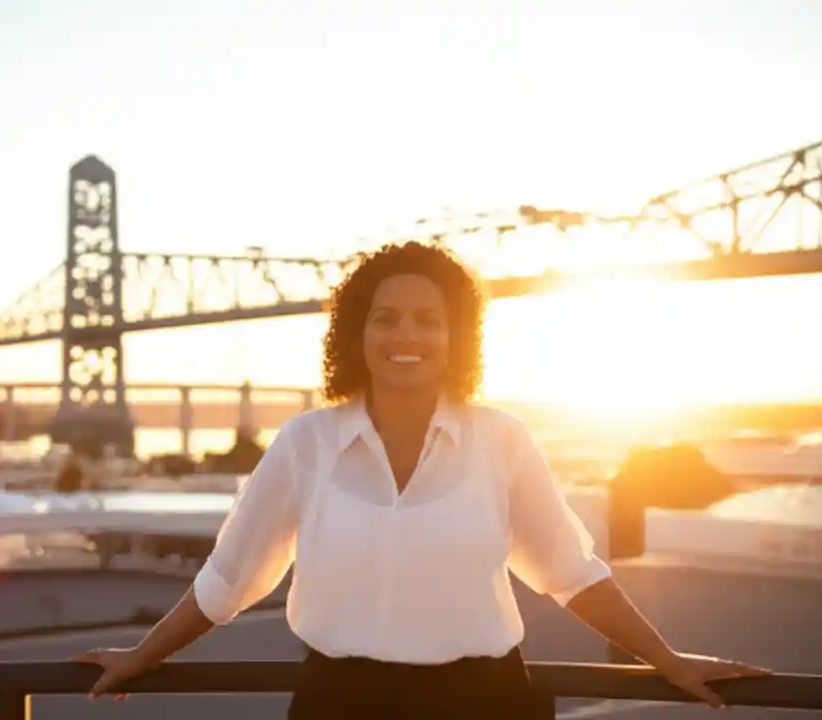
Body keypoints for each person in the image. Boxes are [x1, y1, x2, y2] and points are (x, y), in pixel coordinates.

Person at [75, 241, 770, 718]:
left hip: (486, 705)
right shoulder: (305, 443)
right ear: (356, 334)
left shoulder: (502, 440)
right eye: (386, 318)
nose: (406, 335)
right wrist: (141, 657)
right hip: (339, 707)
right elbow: (229, 581)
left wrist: (669, 660)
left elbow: (571, 572)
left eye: (428, 320)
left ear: (455, 336)